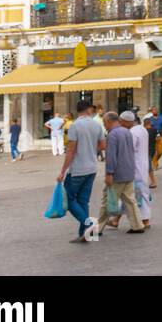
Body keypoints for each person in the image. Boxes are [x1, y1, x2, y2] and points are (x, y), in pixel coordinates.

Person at [57, 100, 105, 243]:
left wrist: (62, 171)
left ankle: (89, 225)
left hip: (77, 169)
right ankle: (84, 234)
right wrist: (90, 150)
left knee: (68, 199)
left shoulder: (75, 126)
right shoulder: (96, 125)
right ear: (89, 109)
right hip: (92, 168)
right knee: (84, 201)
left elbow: (71, 150)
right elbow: (103, 145)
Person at [95, 112, 145, 234]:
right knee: (130, 200)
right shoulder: (127, 132)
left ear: (109, 121)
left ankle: (97, 229)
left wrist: (109, 173)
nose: (104, 125)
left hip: (118, 174)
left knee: (107, 200)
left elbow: (111, 157)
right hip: (128, 171)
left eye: (104, 123)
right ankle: (137, 225)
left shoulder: (112, 135)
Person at [108, 111, 153, 230]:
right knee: (130, 195)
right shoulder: (142, 129)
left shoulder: (132, 132)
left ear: (126, 122)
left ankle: (145, 220)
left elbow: (128, 149)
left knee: (135, 195)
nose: (120, 125)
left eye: (121, 122)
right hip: (142, 166)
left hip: (134, 167)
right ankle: (116, 220)